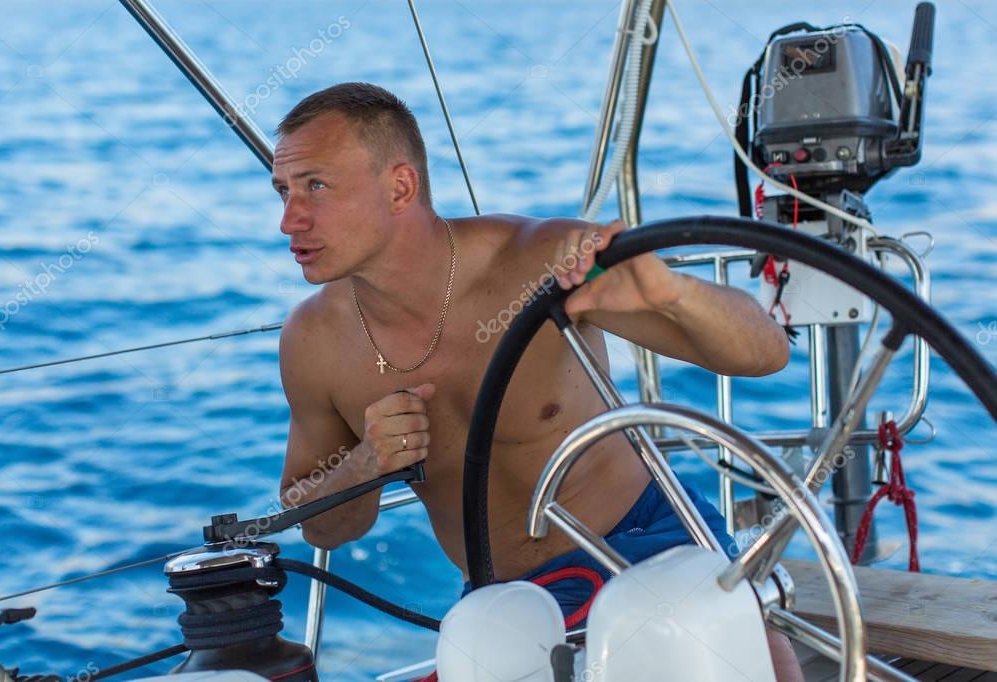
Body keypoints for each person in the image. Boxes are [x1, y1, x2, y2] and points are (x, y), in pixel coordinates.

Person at [274, 82, 802, 680]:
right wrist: (366, 464)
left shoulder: (540, 260)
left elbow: (766, 353)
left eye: (315, 186)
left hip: (651, 543)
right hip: (505, 601)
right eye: (283, 191)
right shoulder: (313, 342)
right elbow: (317, 523)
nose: (289, 219)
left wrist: (675, 295)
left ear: (400, 187)